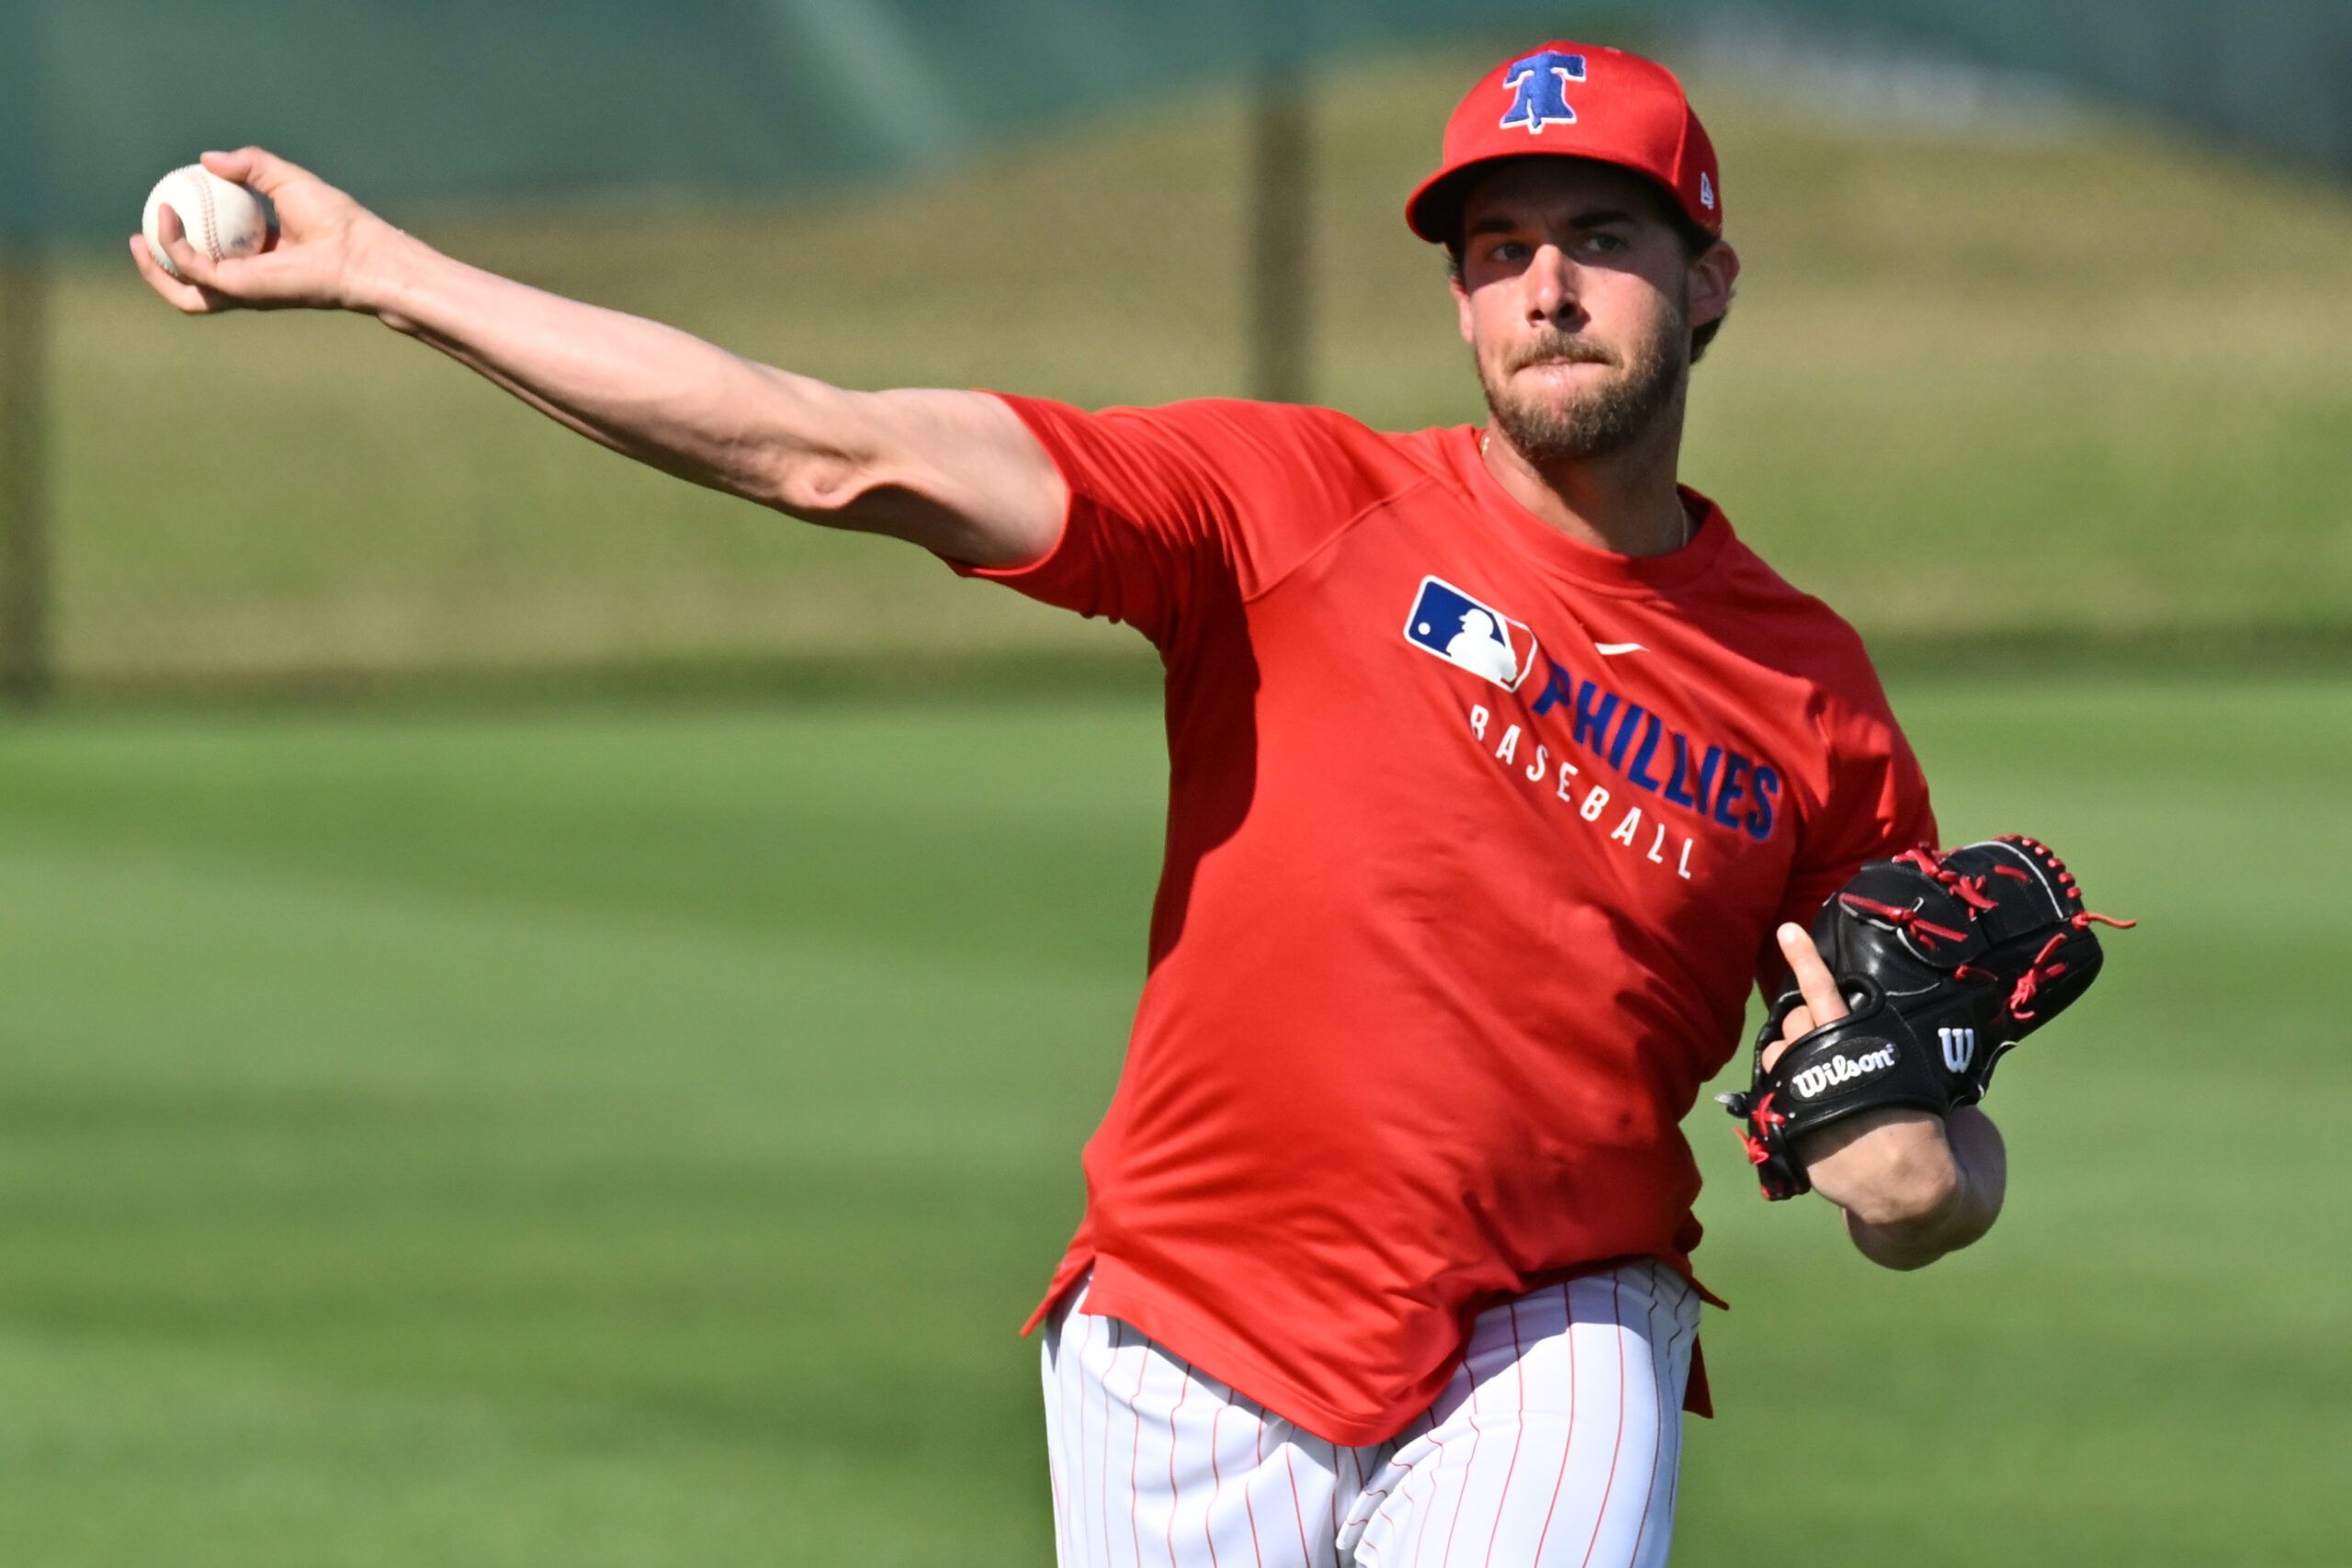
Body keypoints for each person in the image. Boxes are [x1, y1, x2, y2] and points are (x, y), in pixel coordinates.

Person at [134, 37, 2008, 1568]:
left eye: (1596, 232)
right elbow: (827, 448)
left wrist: (1916, 1168)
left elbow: (1908, 1180)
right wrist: (385, 270)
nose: (1541, 283)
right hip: (1183, 1317)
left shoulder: (1808, 701)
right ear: (1453, 302)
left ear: (1705, 275)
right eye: (1493, 243)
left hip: (1551, 1319)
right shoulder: (1289, 508)